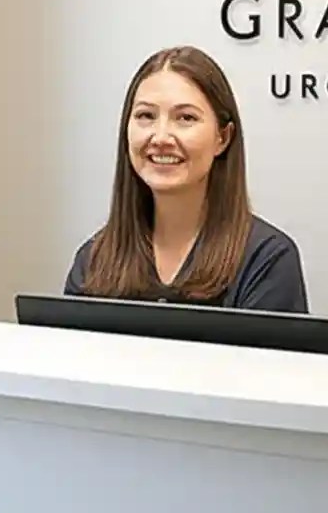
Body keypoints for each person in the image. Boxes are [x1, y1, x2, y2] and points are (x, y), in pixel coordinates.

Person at [64, 45, 308, 313]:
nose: (161, 137)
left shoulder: (266, 260)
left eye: (185, 118)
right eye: (146, 116)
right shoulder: (93, 260)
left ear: (223, 138)